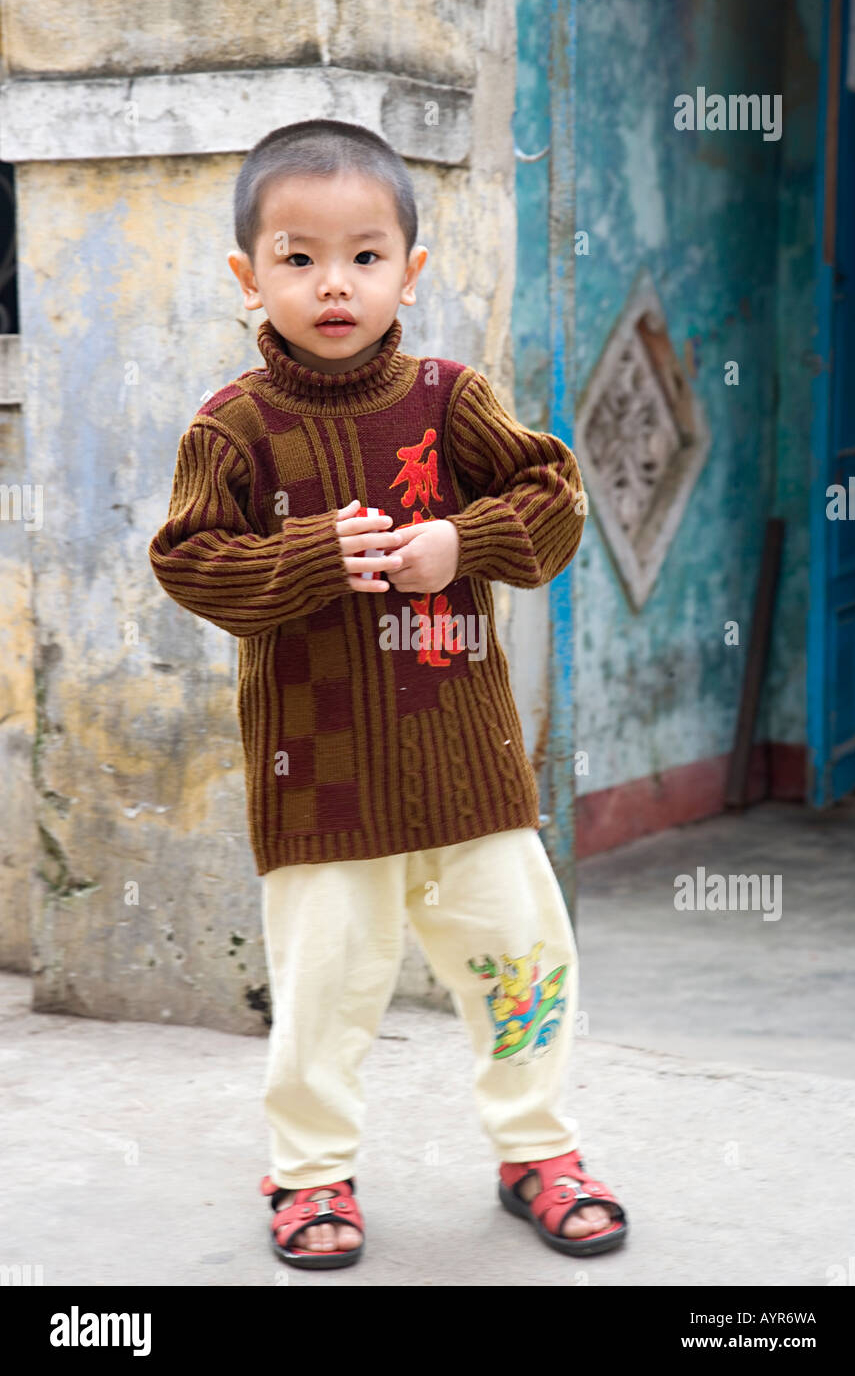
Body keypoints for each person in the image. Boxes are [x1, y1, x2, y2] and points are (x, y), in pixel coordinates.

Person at [148, 118, 628, 1271]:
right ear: (246, 276)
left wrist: (456, 543)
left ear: (409, 271)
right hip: (319, 779)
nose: (332, 283)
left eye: (364, 255)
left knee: (526, 962)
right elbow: (189, 559)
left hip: (466, 770)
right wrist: (315, 557)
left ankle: (537, 1149)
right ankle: (308, 1175)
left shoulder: (448, 399)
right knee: (326, 997)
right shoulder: (232, 427)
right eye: (298, 256)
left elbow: (553, 498)